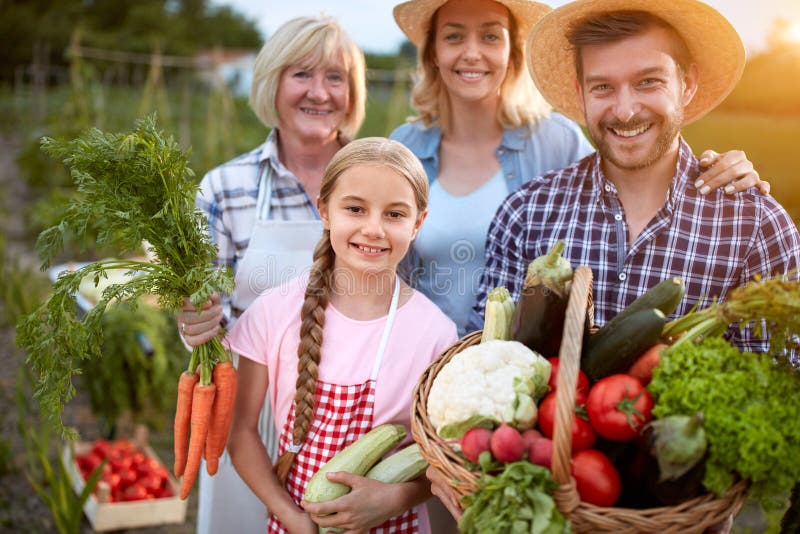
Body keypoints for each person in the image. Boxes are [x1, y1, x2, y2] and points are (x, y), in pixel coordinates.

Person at [390, 0, 770, 337]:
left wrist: (724, 171)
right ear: (432, 54)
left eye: (491, 36)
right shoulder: (407, 149)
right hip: (427, 353)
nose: (625, 109)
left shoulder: (555, 140)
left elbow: (630, 161)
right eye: (454, 37)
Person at [177, 15, 366, 534]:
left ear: (353, 91)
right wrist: (195, 322)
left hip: (351, 414)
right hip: (246, 418)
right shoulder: (224, 188)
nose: (320, 93)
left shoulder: (376, 180)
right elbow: (203, 313)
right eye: (301, 74)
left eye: (335, 76)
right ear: (272, 83)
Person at [225, 137, 458, 533]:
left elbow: (443, 456)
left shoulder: (435, 333)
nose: (373, 229)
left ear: (418, 223)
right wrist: (293, 518)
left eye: (394, 214)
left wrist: (394, 498)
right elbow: (241, 433)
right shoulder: (276, 310)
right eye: (355, 208)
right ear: (325, 210)